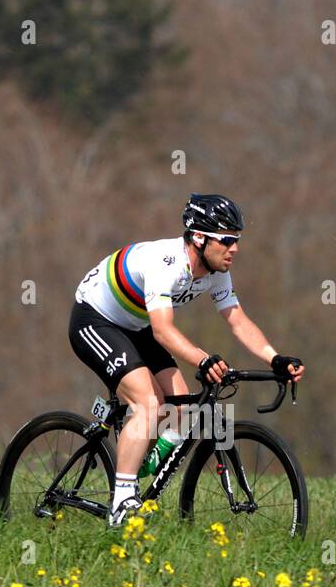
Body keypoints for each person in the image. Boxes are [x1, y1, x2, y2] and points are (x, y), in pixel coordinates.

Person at [69, 193, 304, 526]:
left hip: (137, 324)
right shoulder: (166, 263)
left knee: (183, 409)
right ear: (199, 238)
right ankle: (121, 503)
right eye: (227, 240)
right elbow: (163, 331)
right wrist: (203, 360)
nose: (234, 248)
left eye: (237, 240)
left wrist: (274, 358)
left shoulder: (216, 269)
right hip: (96, 319)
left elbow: (236, 319)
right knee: (149, 403)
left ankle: (141, 463)